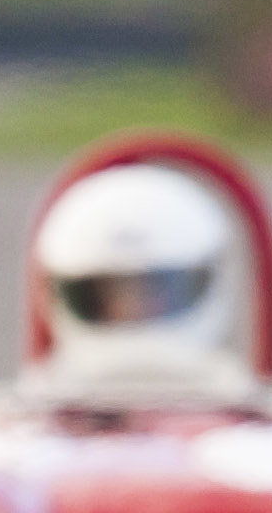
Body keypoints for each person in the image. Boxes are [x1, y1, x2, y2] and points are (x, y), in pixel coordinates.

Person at [22, 158, 259, 405]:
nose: (130, 307)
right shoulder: (30, 412)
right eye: (109, 294)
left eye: (156, 290)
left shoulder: (253, 408)